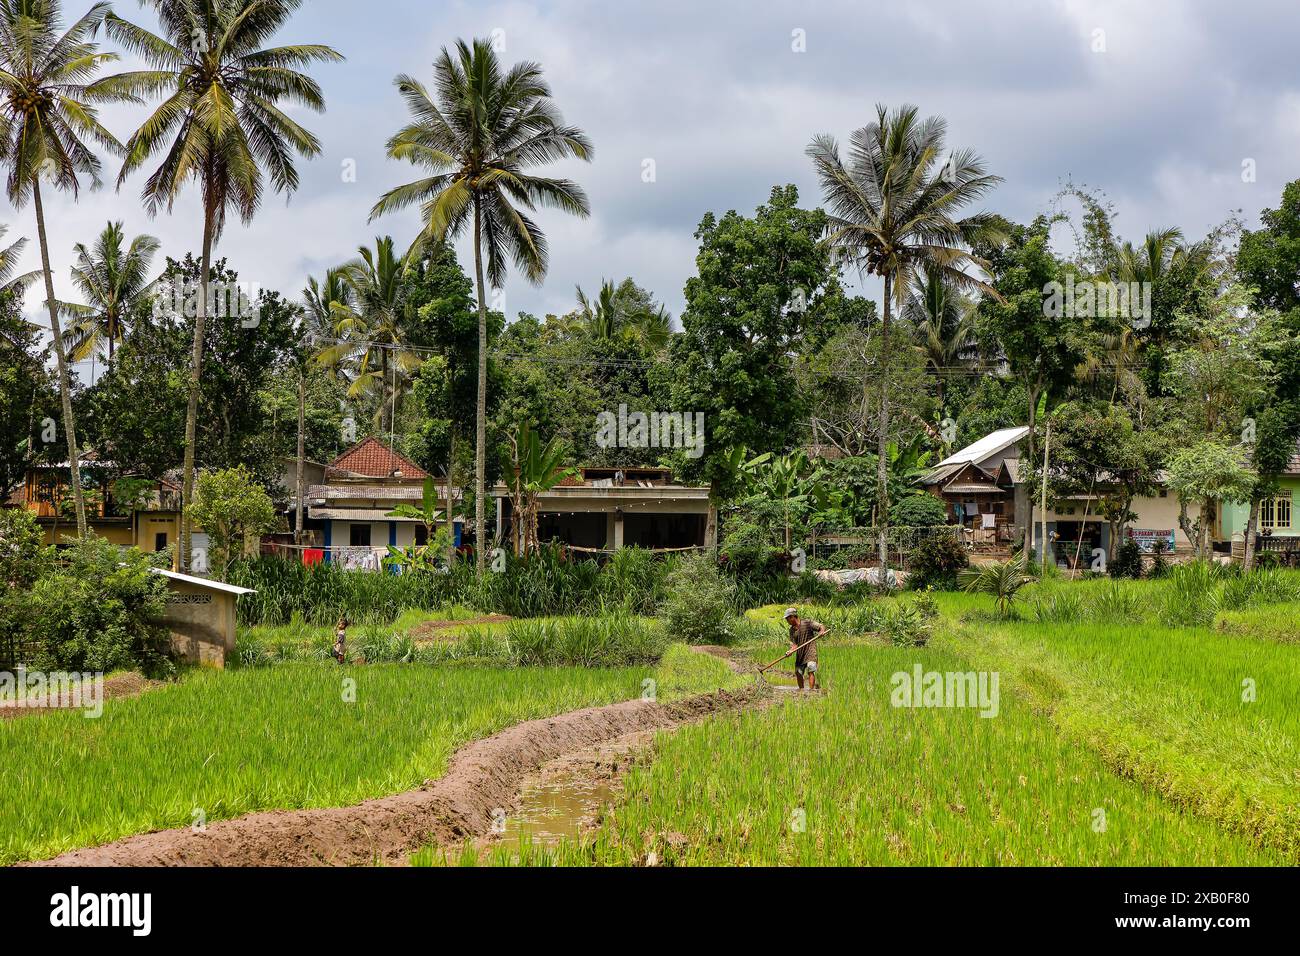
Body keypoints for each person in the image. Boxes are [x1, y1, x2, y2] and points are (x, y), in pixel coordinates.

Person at [783, 607, 826, 691]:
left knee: (811, 668)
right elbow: (794, 644)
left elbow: (821, 626)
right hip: (800, 653)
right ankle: (801, 691)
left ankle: (811, 691)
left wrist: (821, 631)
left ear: (793, 617)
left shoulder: (807, 623)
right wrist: (790, 651)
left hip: (810, 651)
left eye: (788, 619)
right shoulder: (792, 630)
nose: (787, 621)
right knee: (798, 673)